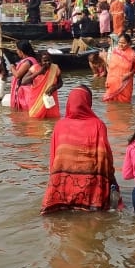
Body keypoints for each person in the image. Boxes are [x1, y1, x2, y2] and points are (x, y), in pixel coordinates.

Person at [41, 86, 121, 214]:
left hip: (62, 186)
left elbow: (54, 159)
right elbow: (105, 159)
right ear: (88, 103)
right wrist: (111, 180)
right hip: (91, 188)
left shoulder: (60, 125)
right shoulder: (98, 125)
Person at [20, 52, 63, 118]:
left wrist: (55, 87)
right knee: (35, 119)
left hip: (50, 98)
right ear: (40, 61)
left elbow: (60, 83)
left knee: (52, 119)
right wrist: (38, 73)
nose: (48, 63)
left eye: (49, 60)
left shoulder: (55, 68)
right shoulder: (35, 68)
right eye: (45, 61)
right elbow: (23, 81)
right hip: (36, 99)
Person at [103, 33, 135, 102]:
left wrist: (130, 74)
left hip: (125, 82)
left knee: (124, 104)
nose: (121, 45)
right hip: (112, 81)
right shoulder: (115, 51)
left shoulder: (133, 55)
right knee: (109, 104)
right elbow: (110, 67)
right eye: (119, 42)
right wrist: (107, 80)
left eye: (123, 43)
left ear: (129, 43)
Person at [10, 40, 39, 111]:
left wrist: (12, 68)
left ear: (21, 51)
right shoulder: (31, 60)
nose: (16, 52)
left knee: (24, 111)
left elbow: (17, 75)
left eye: (17, 49)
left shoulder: (27, 62)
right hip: (28, 89)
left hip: (26, 91)